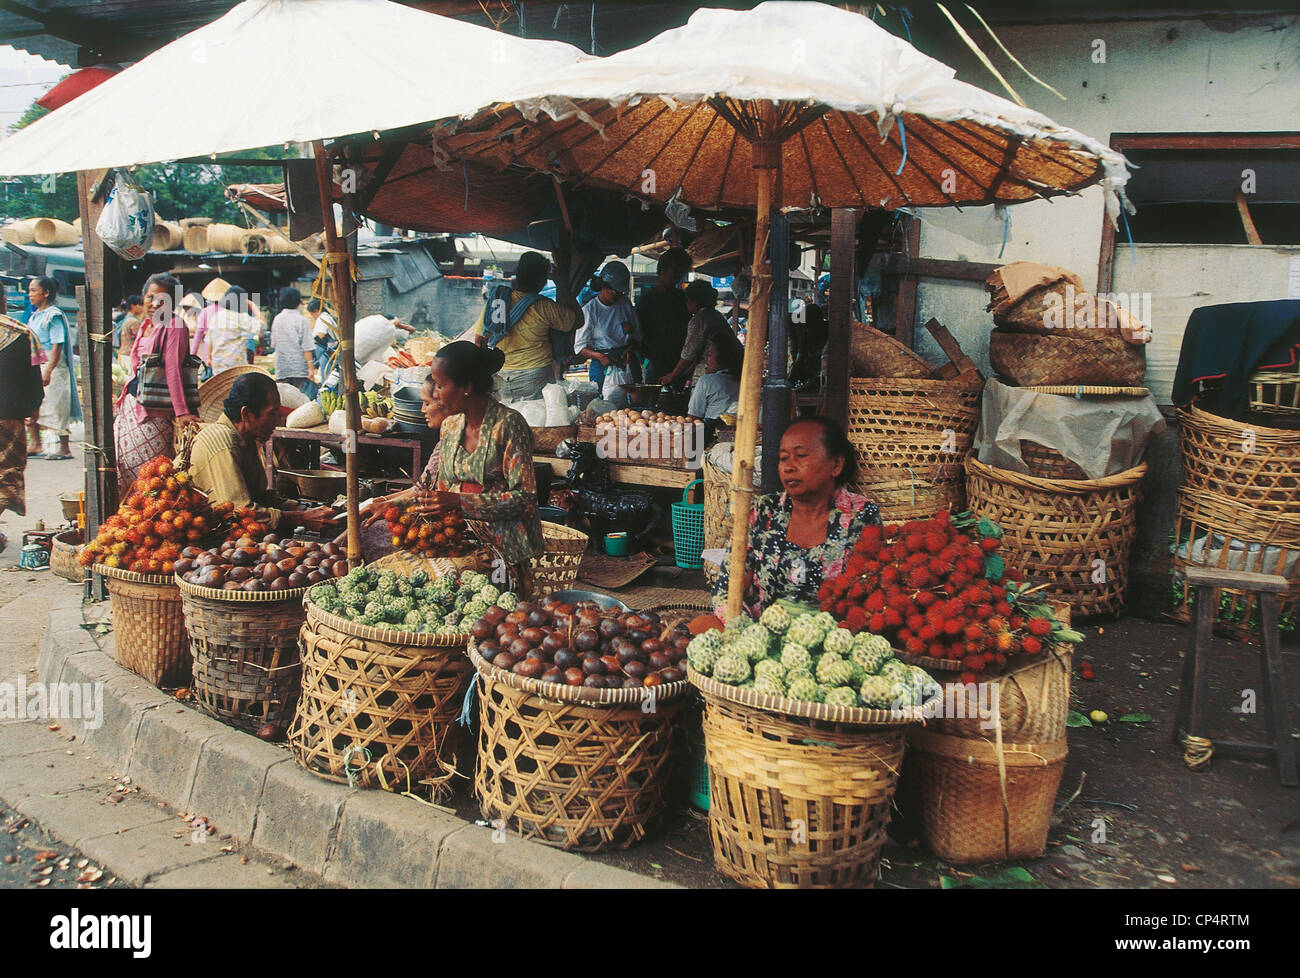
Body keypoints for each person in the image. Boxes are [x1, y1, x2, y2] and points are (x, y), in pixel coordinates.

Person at [713, 416, 880, 619]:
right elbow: (726, 589)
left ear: (836, 465)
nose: (788, 467)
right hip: (761, 636)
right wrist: (746, 632)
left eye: (801, 456)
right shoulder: (764, 510)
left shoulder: (862, 515)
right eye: (783, 458)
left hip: (833, 641)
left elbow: (873, 596)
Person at [409, 341, 542, 592]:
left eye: (440, 385)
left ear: (467, 387)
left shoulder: (508, 425)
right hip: (460, 545)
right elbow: (442, 488)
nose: (435, 394)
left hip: (505, 549)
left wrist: (460, 502)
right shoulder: (449, 427)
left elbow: (525, 499)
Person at [184, 372, 335, 534]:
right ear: (246, 414)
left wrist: (305, 508)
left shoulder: (246, 439)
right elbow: (239, 512)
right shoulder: (223, 440)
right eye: (272, 413)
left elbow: (263, 498)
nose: (278, 420)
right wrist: (301, 518)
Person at [114, 273, 201, 492]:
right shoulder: (144, 325)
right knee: (122, 468)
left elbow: (173, 369)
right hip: (131, 407)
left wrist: (181, 412)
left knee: (149, 477)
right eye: (150, 297)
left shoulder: (174, 326)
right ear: (142, 296)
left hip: (154, 414)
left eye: (163, 300)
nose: (154, 305)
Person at [360, 372, 448, 561]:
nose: (422, 410)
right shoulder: (445, 439)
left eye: (427, 403)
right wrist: (380, 501)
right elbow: (420, 488)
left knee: (372, 532)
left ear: (446, 403)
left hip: (443, 523)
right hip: (427, 510)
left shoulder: (451, 441)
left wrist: (386, 503)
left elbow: (421, 493)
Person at [471, 251, 581, 401]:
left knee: (505, 421)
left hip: (501, 376)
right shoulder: (543, 306)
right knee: (535, 422)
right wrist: (562, 285)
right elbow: (578, 321)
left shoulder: (498, 302)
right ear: (542, 280)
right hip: (535, 376)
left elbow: (479, 340)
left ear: (518, 274)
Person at [0, 315, 45, 547]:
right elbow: (33, 380)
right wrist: (33, 406)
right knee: (7, 474)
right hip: (8, 416)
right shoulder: (20, 333)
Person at [26, 276, 80, 461]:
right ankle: (35, 443)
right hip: (36, 364)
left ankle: (64, 448)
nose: (30, 294)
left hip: (53, 365)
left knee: (57, 405)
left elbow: (57, 345)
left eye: (33, 290)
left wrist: (49, 370)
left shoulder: (53, 315)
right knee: (34, 404)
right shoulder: (34, 316)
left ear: (46, 293)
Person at [575, 261, 642, 405]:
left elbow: (637, 334)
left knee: (633, 407)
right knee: (603, 407)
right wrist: (599, 357)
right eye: (613, 291)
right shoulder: (590, 310)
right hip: (602, 365)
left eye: (619, 292)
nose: (616, 295)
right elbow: (580, 347)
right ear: (603, 286)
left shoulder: (625, 304)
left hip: (628, 361)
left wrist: (630, 348)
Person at [660, 279, 732, 388]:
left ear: (694, 301)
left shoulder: (700, 319)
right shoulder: (716, 316)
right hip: (724, 374)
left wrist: (672, 375)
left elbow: (689, 352)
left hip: (708, 374)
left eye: (687, 300)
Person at [636, 246, 692, 384]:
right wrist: (654, 359)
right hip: (655, 363)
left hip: (679, 364)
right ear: (663, 269)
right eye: (675, 270)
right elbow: (638, 335)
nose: (678, 275)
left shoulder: (683, 299)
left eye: (682, 271)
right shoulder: (646, 300)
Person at [270, 287, 317, 397]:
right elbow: (307, 347)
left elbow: (274, 343)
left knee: (285, 399)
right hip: (299, 368)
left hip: (282, 367)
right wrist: (311, 368)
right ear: (298, 302)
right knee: (299, 401)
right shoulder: (302, 320)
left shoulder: (277, 319)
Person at [687, 332, 743, 421]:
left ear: (722, 357)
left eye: (709, 355)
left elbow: (693, 418)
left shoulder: (707, 381)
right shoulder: (744, 381)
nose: (706, 359)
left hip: (709, 433)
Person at [207, 285, 262, 374]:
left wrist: (209, 358)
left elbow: (210, 341)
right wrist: (253, 305)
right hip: (235, 368)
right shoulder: (242, 319)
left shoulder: (216, 317)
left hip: (217, 367)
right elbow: (262, 326)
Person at [307, 298, 337, 379]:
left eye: (311, 314)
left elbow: (320, 335)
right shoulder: (325, 317)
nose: (312, 317)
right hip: (325, 351)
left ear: (316, 311)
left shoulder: (323, 318)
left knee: (327, 375)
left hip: (327, 351)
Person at [116, 294, 144, 371]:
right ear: (133, 306)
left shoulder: (125, 319)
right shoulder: (133, 321)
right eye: (140, 305)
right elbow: (141, 338)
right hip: (129, 356)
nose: (142, 308)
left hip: (122, 354)